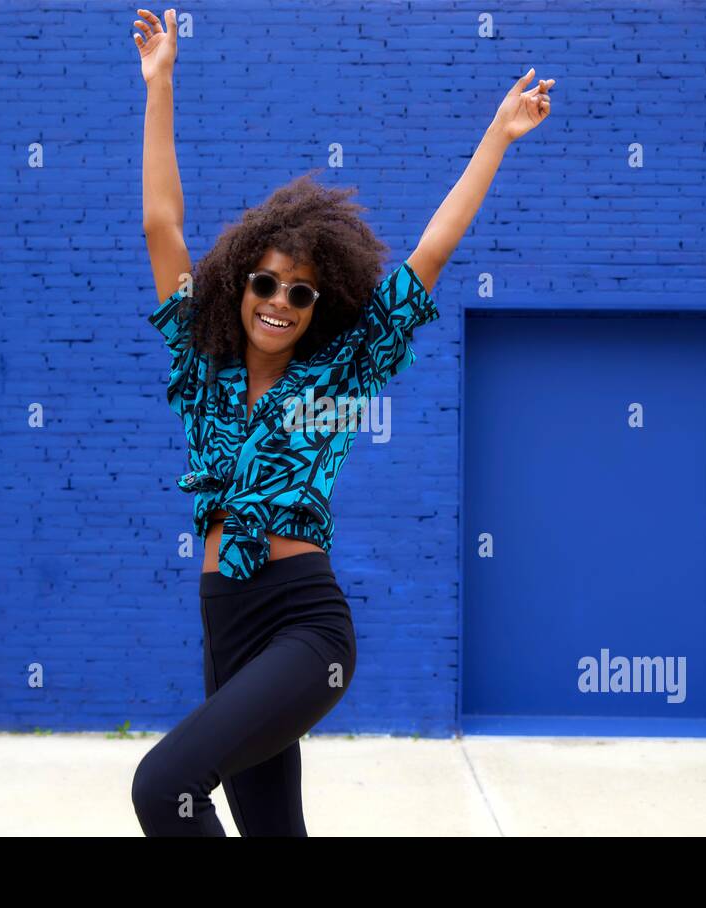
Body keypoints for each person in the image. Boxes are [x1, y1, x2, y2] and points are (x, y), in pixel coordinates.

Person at [129, 6, 554, 836]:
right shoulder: (202, 372)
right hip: (226, 624)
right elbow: (161, 226)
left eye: (301, 292)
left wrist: (497, 138)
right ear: (238, 285)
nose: (280, 301)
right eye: (266, 283)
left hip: (304, 625)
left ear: (318, 306)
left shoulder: (337, 377)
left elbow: (429, 254)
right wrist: (160, 84)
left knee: (165, 786)